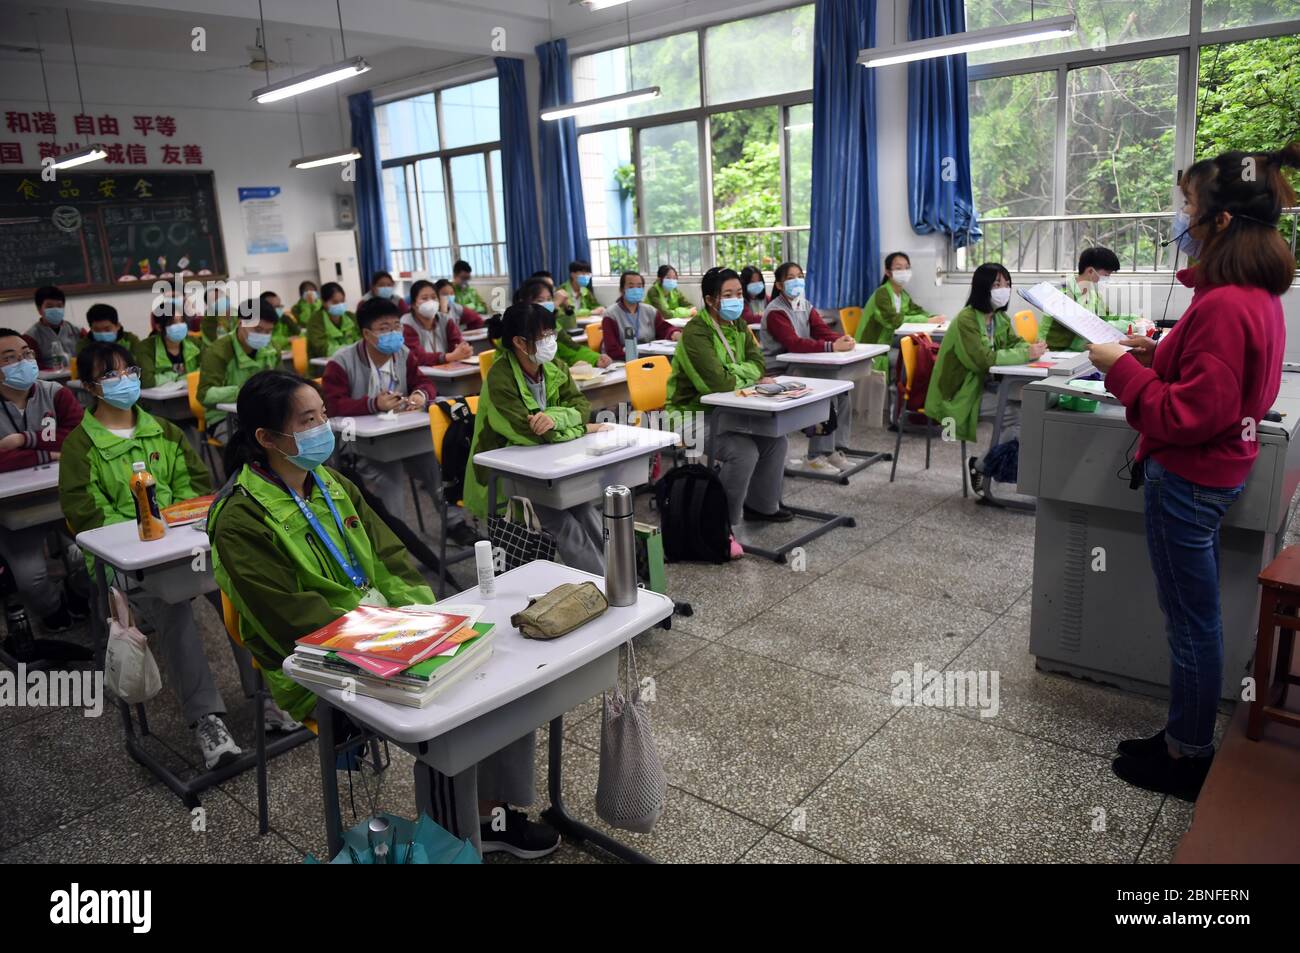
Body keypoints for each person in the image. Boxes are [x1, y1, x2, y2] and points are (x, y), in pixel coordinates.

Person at [208, 370, 556, 856]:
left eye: (323, 417)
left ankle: (495, 811)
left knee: (498, 674)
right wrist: (390, 630)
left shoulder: (330, 483)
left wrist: (419, 614)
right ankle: (459, 836)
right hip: (320, 658)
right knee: (451, 707)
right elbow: (291, 617)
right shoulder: (240, 518)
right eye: (307, 422)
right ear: (265, 438)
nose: (322, 430)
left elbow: (390, 558)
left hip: (388, 630)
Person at [1086, 142, 1298, 800]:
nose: (1184, 217)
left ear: (1223, 221)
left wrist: (1117, 366)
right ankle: (1183, 733)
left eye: (1190, 207)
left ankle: (1187, 755)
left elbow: (1186, 416)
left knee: (1191, 621)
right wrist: (1158, 350)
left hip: (1189, 480)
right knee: (1191, 616)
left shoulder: (1228, 303)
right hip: (1213, 471)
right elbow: (1224, 387)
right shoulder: (1247, 294)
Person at [60, 342, 290, 769]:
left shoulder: (163, 431)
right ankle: (207, 719)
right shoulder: (80, 447)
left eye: (130, 370)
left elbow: (197, 489)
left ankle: (268, 696)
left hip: (187, 547)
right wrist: (147, 531)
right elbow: (86, 517)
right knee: (175, 612)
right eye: (111, 375)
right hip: (129, 564)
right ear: (91, 387)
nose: (125, 380)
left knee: (238, 593)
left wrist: (177, 523)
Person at [463, 303, 609, 575]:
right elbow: (530, 433)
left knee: (585, 509)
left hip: (551, 465)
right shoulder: (500, 377)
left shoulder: (554, 366)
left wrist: (556, 418)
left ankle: (620, 577)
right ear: (519, 342)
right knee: (562, 521)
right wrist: (582, 428)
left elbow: (581, 406)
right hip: (506, 474)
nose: (551, 342)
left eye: (551, 334)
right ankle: (608, 587)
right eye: (543, 337)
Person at [323, 296, 478, 544]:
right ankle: (396, 541)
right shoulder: (341, 362)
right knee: (390, 479)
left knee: (436, 463)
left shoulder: (403, 354)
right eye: (385, 328)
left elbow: (424, 382)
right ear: (367, 333)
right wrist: (373, 404)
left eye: (396, 326)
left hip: (404, 437)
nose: (394, 333)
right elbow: (331, 405)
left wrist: (420, 394)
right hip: (362, 445)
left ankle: (455, 523)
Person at [666, 267, 789, 558]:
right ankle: (722, 525)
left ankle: (761, 507)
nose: (736, 300)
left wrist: (738, 371)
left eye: (738, 294)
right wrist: (744, 373)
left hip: (730, 408)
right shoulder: (696, 332)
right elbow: (716, 383)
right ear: (711, 300)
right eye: (728, 295)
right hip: (689, 414)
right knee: (743, 451)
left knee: (775, 440)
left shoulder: (739, 325)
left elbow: (759, 364)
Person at [922, 262, 1044, 489]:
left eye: (1007, 284)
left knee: (1030, 410)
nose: (1004, 289)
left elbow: (1013, 342)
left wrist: (1030, 346)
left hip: (985, 387)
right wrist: (1025, 353)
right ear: (982, 287)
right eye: (998, 284)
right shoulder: (967, 319)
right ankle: (984, 465)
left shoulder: (999, 318)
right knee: (1020, 418)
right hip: (960, 392)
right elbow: (984, 359)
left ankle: (991, 465)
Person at [0, 327, 85, 631]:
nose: (22, 362)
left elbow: (76, 437)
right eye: (10, 358)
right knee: (31, 577)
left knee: (89, 554)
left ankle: (79, 595)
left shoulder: (55, 393)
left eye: (26, 354)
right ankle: (52, 609)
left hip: (64, 493)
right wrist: (46, 453)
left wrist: (22, 440)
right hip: (14, 507)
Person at [759, 261, 857, 474]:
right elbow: (794, 343)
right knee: (826, 393)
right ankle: (814, 457)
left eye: (799, 275)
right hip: (779, 370)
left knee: (842, 392)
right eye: (790, 277)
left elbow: (821, 330)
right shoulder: (776, 311)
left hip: (800, 364)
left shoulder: (804, 304)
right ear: (779, 284)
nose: (796, 280)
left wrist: (843, 339)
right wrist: (832, 347)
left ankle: (832, 450)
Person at [198, 298, 281, 442]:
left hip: (264, 414)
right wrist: (243, 391)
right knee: (255, 445)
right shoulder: (218, 351)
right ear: (241, 322)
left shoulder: (271, 348)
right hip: (225, 418)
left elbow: (282, 383)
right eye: (258, 330)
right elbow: (204, 395)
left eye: (269, 331)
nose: (263, 336)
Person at [855, 251, 945, 371]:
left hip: (888, 341)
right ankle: (899, 388)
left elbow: (916, 310)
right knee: (915, 359)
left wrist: (935, 317)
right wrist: (927, 320)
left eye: (907, 268)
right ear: (888, 272)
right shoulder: (882, 294)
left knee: (926, 347)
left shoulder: (902, 295)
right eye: (899, 268)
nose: (904, 271)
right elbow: (893, 321)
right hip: (873, 349)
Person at [1040, 247, 1133, 351]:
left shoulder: (1093, 294)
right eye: (1106, 275)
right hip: (1058, 352)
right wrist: (1130, 325)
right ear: (1090, 271)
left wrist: (1134, 319)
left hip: (1080, 349)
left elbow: (1106, 317)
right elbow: (1083, 334)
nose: (1107, 279)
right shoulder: (1064, 296)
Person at [514, 276, 609, 368]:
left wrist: (596, 358)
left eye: (548, 299)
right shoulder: (518, 331)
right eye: (540, 300)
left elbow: (571, 348)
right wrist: (564, 369)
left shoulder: (551, 325)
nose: (546, 304)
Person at [600, 271, 682, 362]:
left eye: (639, 286)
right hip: (621, 361)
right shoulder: (611, 315)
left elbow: (664, 328)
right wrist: (636, 359)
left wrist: (674, 333)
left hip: (649, 358)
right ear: (622, 289)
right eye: (631, 286)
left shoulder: (650, 311)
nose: (635, 289)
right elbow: (612, 349)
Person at [402, 279, 474, 366]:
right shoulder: (407, 324)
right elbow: (417, 357)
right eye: (424, 298)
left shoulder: (445, 319)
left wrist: (464, 350)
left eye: (434, 297)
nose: (430, 302)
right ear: (413, 304)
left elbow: (457, 343)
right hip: (420, 374)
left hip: (446, 371)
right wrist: (448, 357)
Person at [136, 297, 201, 387]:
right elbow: (147, 380)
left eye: (181, 321)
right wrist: (180, 378)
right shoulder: (146, 348)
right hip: (159, 399)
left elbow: (207, 369)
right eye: (173, 323)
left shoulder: (195, 343)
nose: (179, 326)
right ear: (159, 327)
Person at [24, 285, 82, 370]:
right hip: (49, 379)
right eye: (49, 306)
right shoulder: (30, 337)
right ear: (39, 309)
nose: (55, 309)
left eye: (59, 306)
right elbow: (33, 366)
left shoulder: (78, 330)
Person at [307, 282, 360, 359]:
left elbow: (362, 339)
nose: (340, 305)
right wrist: (351, 350)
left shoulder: (351, 316)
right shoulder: (316, 320)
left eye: (342, 301)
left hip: (352, 360)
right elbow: (322, 349)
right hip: (324, 365)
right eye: (335, 302)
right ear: (323, 302)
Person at [553, 259, 603, 330]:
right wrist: (590, 312)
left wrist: (601, 309)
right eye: (583, 273)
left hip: (583, 325)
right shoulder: (562, 291)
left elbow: (595, 306)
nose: (586, 276)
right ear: (572, 274)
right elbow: (564, 313)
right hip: (565, 327)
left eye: (588, 274)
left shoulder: (585, 291)